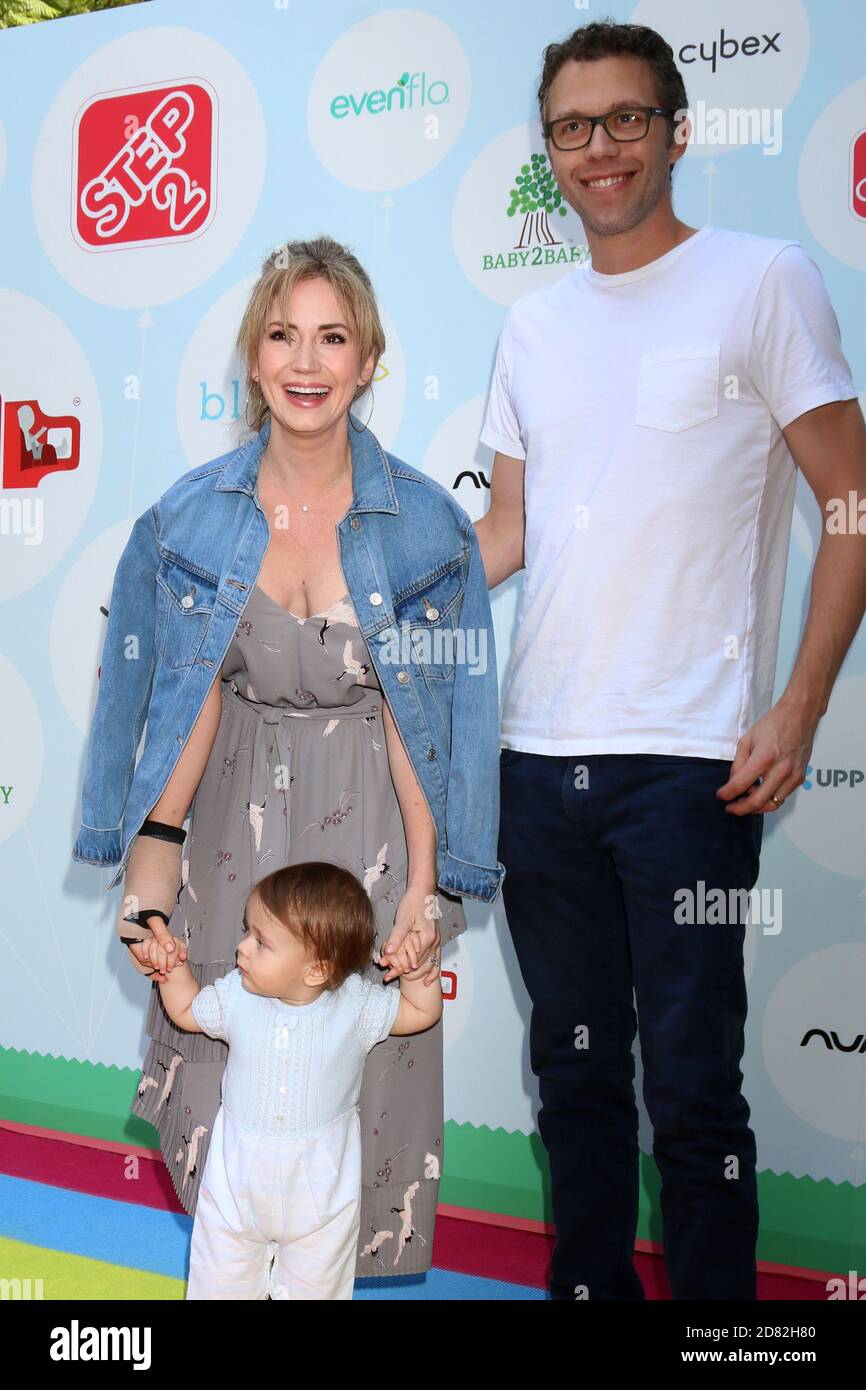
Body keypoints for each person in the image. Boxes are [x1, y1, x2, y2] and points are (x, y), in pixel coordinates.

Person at [474, 20, 866, 1300]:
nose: (599, 148)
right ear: (549, 151)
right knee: (575, 1077)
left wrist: (798, 706)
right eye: (573, 128)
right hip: (538, 766)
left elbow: (849, 506)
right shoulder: (528, 325)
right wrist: (340, 594)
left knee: (692, 1089)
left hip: (688, 768)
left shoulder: (764, 280)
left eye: (625, 119)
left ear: (675, 129)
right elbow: (509, 531)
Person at [72, 235, 504, 1284]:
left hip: (373, 829)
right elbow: (174, 703)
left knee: (362, 1075)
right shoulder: (184, 520)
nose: (305, 362)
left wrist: (429, 882)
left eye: (331, 336)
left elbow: (430, 717)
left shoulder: (430, 532)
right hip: (229, 831)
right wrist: (147, 867)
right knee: (226, 1067)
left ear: (367, 359)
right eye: (281, 335)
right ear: (251, 357)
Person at [138, 861, 442, 1300]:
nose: (241, 948)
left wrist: (417, 977)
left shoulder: (354, 1006)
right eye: (248, 933)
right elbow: (187, 1011)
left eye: (261, 942)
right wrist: (171, 972)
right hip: (234, 1192)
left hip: (320, 1203)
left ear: (316, 970)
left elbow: (420, 1012)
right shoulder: (238, 996)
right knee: (216, 1285)